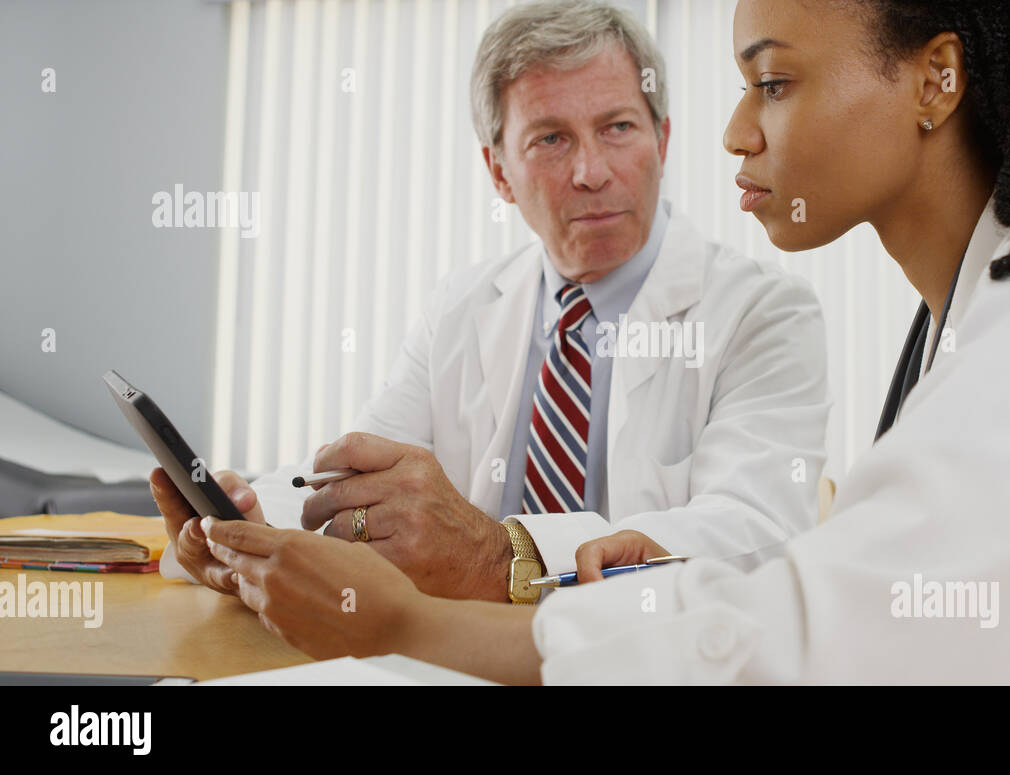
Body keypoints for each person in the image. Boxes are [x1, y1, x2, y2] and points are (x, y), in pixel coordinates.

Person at [203, 0, 1010, 684]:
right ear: (499, 169)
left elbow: (820, 636)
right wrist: (269, 528)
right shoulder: (974, 311)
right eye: (550, 139)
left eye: (771, 81)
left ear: (937, 77)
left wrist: (427, 610)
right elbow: (843, 584)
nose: (736, 131)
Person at [152, 0, 830, 605]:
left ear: (663, 140)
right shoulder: (461, 306)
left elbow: (755, 537)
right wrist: (242, 521)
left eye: (619, 127)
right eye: (551, 139)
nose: (591, 171)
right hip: (455, 659)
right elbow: (355, 484)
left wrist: (502, 557)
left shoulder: (763, 313)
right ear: (499, 172)